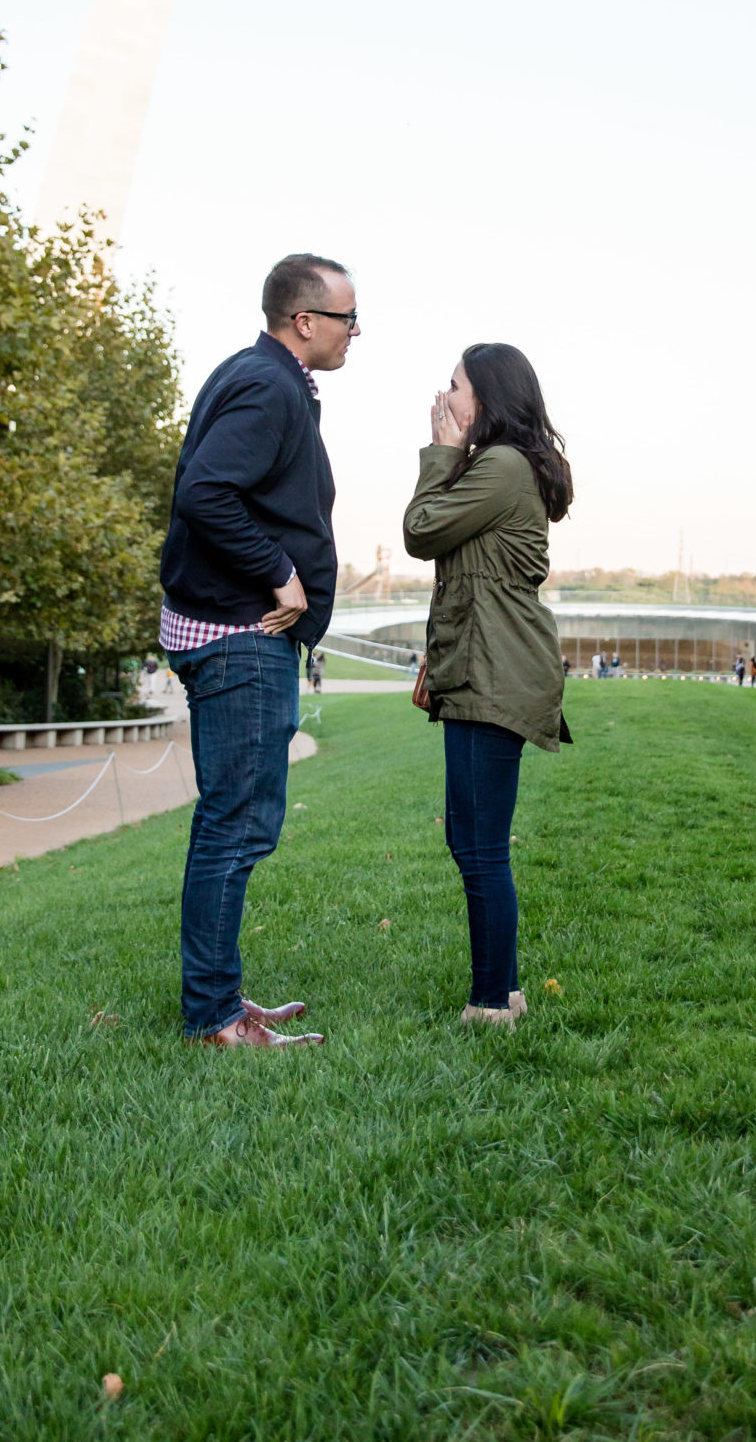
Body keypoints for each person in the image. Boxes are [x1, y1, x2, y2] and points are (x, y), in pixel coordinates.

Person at [158, 253, 357, 1049]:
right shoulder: (268, 385)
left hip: (235, 633)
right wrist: (280, 574)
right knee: (235, 827)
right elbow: (203, 490)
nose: (355, 334)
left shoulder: (259, 376)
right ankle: (213, 1018)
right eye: (348, 319)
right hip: (241, 637)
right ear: (304, 321)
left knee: (235, 825)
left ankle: (222, 998)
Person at [403, 343, 572, 1029]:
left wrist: (438, 451)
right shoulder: (504, 466)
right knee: (475, 842)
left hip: (495, 672)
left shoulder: (499, 465)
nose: (445, 399)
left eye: (455, 387)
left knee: (478, 846)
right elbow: (466, 575)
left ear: (489, 398)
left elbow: (420, 532)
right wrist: (433, 666)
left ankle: (490, 1003)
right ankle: (502, 991)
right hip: (484, 664)